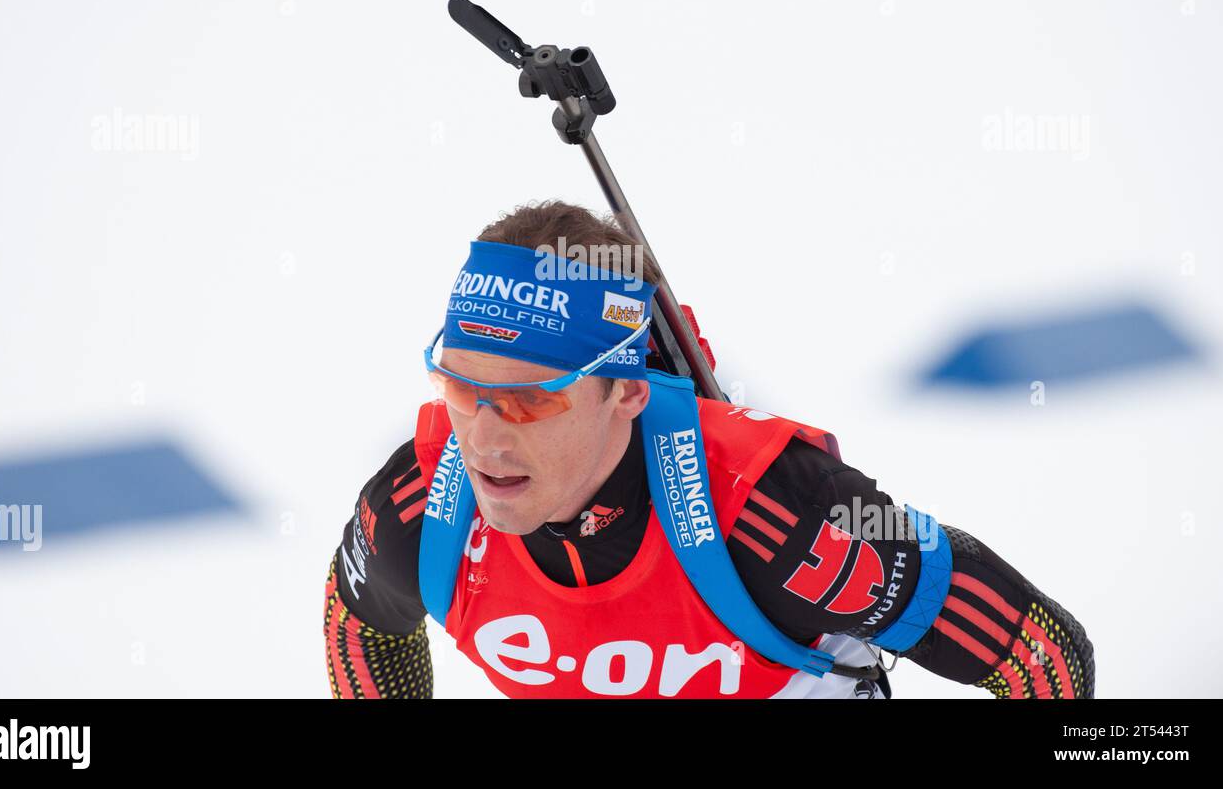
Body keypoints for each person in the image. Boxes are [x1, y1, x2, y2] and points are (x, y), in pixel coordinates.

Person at [324, 200, 1095, 699]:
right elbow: (358, 620)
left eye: (533, 397)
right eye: (460, 387)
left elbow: (1038, 654)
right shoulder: (423, 507)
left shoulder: (786, 511)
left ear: (627, 389)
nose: (484, 436)